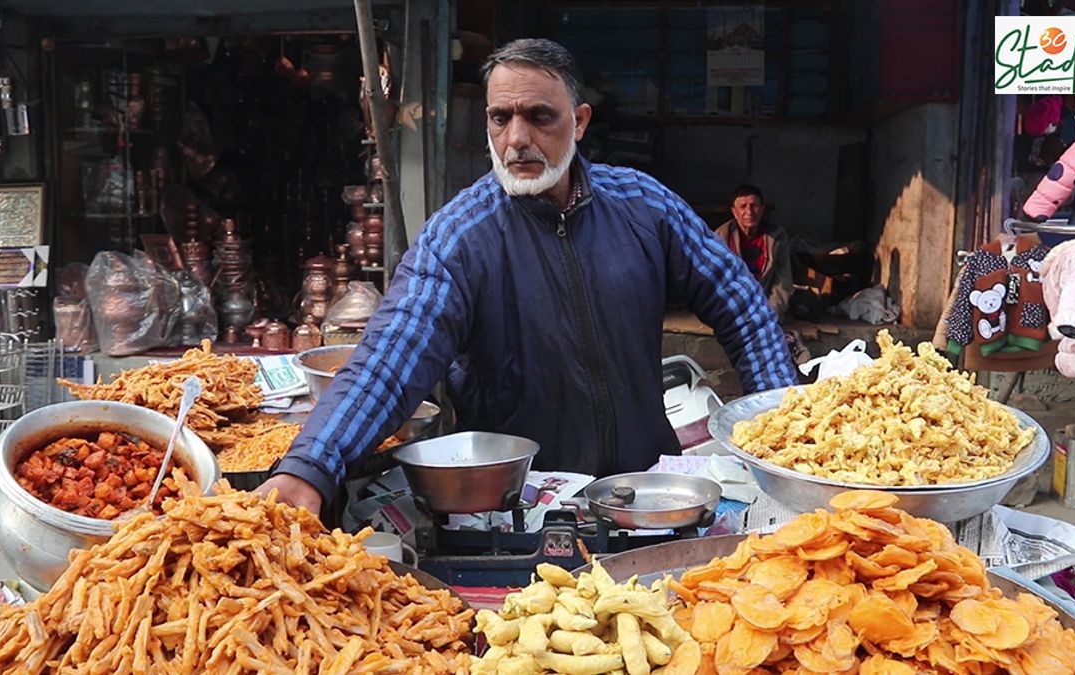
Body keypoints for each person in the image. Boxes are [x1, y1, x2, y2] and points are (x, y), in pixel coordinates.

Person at [256, 39, 796, 514]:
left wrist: (786, 432)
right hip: (517, 508)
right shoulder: (460, 238)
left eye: (540, 116)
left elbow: (741, 306)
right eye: (500, 117)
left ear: (579, 122)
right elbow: (389, 360)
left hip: (641, 494)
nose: (516, 138)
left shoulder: (643, 204)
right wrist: (310, 465)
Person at [714, 185, 794, 316]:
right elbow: (717, 280)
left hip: (766, 304)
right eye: (743, 207)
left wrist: (769, 313)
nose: (749, 212)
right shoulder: (721, 236)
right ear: (734, 212)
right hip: (733, 306)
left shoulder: (777, 237)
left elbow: (783, 281)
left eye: (754, 206)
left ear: (762, 210)